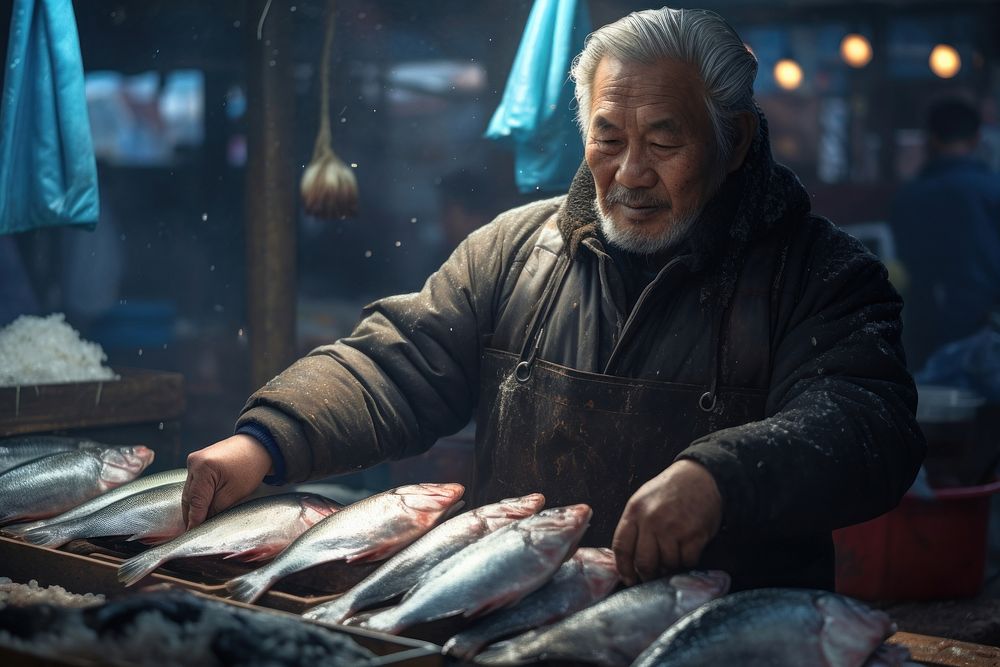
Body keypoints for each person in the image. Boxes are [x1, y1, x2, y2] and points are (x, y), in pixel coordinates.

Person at [183, 7, 924, 591]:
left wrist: (722, 477)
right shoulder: (512, 250)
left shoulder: (822, 275)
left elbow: (865, 423)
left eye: (664, 142)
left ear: (732, 143)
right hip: (515, 621)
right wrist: (264, 442)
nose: (630, 173)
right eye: (609, 139)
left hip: (720, 633)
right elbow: (395, 364)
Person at [890, 96, 1000, 371]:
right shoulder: (993, 190)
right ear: (976, 139)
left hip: (923, 331)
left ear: (931, 139)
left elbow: (905, 260)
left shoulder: (908, 197)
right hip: (987, 333)